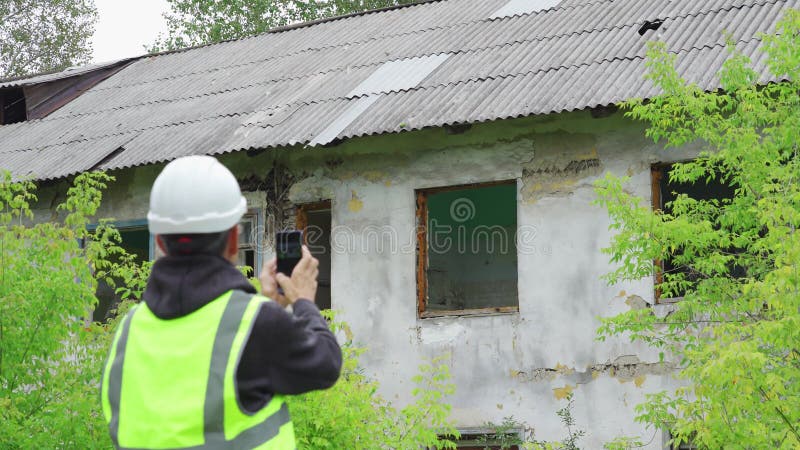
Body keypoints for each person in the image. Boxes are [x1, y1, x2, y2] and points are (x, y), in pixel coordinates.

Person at [101, 155, 342, 449]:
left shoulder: (128, 331)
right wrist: (303, 301)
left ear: (161, 241)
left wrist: (264, 308)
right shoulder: (257, 326)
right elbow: (325, 364)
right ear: (232, 239)